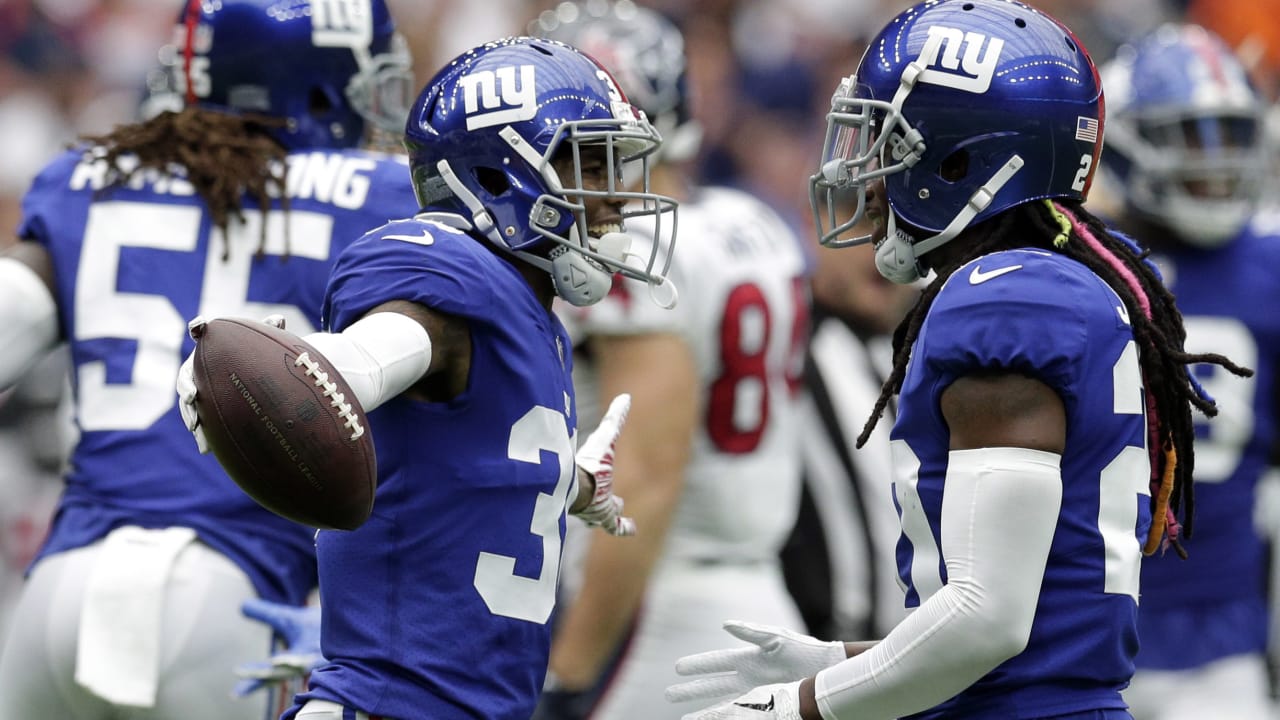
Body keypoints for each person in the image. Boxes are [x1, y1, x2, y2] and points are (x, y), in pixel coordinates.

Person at [664, 1, 1254, 718]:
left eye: (889, 143)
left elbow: (987, 620)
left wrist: (800, 706)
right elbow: (1033, 617)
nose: (864, 172)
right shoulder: (1059, 278)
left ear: (958, 157)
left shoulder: (1002, 301)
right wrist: (851, 661)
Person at [177, 35, 679, 720]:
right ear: (501, 175)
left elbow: (467, 475)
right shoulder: (447, 271)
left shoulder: (537, 326)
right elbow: (371, 358)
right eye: (591, 162)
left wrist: (571, 479)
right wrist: (283, 366)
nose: (615, 197)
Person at [0, 0, 420, 717]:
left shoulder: (83, 178)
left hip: (60, 590)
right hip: (236, 597)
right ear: (319, 82)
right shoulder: (382, 199)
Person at [528, 4, 812, 719]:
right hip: (753, 590)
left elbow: (644, 481)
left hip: (657, 608)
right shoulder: (751, 222)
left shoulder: (629, 251)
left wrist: (569, 671)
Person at [1094, 23, 1280, 720]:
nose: (1216, 164)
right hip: (1077, 620)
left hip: (1218, 632)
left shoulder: (1268, 263)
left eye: (1228, 138)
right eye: (1191, 140)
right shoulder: (1082, 256)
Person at [780, 193, 918, 645]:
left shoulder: (933, 347)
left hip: (908, 663)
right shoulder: (779, 342)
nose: (886, 246)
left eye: (909, 227)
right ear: (814, 221)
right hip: (803, 655)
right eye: (869, 218)